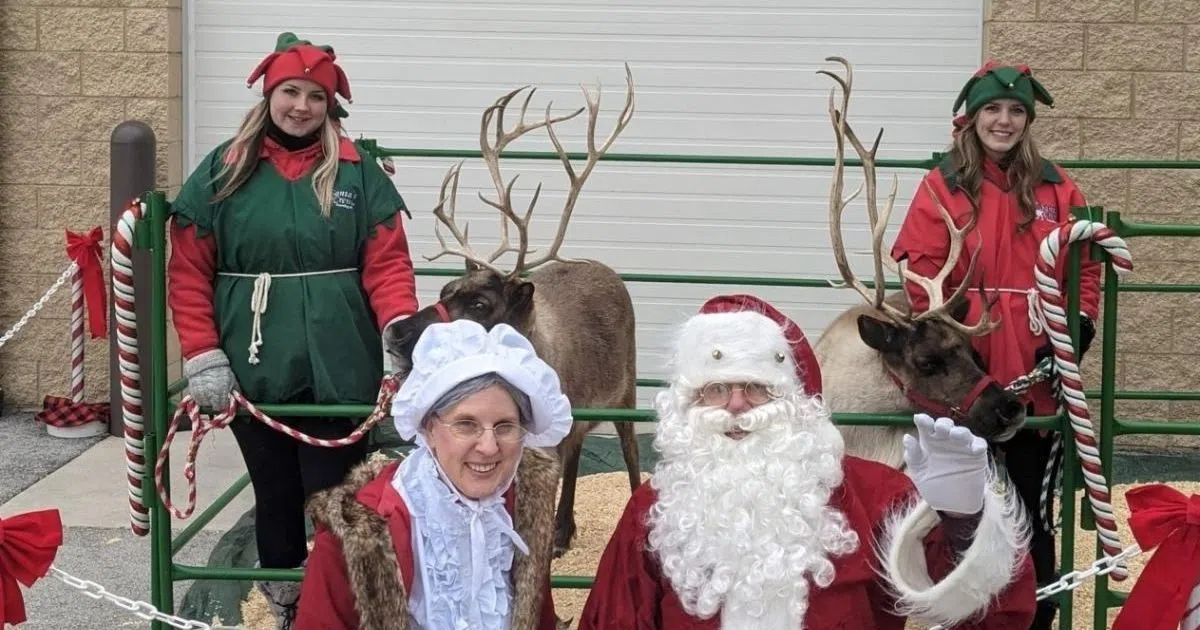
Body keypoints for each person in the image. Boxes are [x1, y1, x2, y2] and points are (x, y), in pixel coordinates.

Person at [579, 294, 1037, 630]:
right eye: (715, 389)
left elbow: (996, 619)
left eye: (757, 386)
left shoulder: (875, 497)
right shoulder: (655, 511)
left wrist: (964, 521)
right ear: (688, 405)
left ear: (796, 400)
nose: (736, 404)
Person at [166, 31, 418, 627]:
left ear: (330, 105)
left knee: (339, 496)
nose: (301, 107)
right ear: (269, 94)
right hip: (254, 366)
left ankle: (343, 603)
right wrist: (202, 354)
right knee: (274, 493)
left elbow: (387, 264)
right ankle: (287, 602)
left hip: (340, 364)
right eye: (290, 92)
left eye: (315, 96)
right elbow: (189, 270)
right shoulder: (224, 171)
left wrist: (399, 331)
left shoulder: (356, 174)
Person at [888, 60, 1101, 629]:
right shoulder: (942, 186)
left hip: (1035, 362)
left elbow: (1084, 269)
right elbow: (919, 273)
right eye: (992, 109)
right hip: (966, 368)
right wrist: (955, 337)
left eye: (1014, 111)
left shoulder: (1057, 187)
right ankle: (962, 614)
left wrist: (1076, 328)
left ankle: (1036, 613)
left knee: (1031, 503)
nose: (1003, 121)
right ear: (972, 117)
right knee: (962, 503)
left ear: (1027, 120)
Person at [293, 319, 572, 630]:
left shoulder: (524, 504)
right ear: (428, 428)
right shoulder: (356, 532)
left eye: (505, 426)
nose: (489, 446)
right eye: (466, 424)